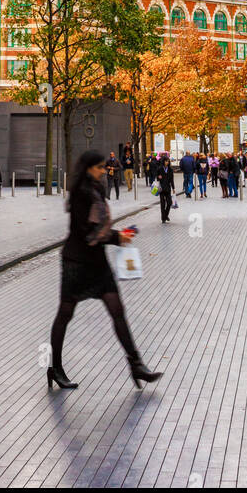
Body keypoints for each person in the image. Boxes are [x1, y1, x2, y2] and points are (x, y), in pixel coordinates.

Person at [47, 151, 161, 391]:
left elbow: (99, 227)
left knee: (117, 310)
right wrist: (117, 237)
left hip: (97, 262)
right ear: (88, 168)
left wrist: (118, 235)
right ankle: (55, 367)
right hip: (76, 263)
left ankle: (136, 364)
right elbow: (87, 231)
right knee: (65, 314)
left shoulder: (97, 189)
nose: (103, 170)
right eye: (99, 167)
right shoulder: (80, 193)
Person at [156, 155, 175, 223]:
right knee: (163, 204)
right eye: (166, 161)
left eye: (168, 161)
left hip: (167, 188)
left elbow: (172, 179)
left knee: (169, 202)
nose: (167, 162)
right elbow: (157, 177)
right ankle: (163, 218)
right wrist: (159, 177)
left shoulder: (170, 170)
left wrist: (173, 188)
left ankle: (166, 215)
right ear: (163, 161)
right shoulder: (160, 169)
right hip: (161, 188)